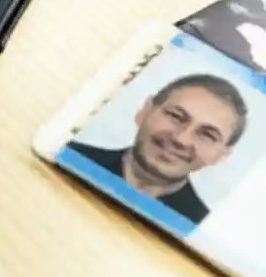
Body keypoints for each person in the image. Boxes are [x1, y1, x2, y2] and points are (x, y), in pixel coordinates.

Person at [67, 73, 246, 224]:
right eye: (176, 116)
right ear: (145, 111)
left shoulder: (199, 228)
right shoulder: (67, 153)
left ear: (221, 155)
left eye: (207, 135)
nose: (181, 139)